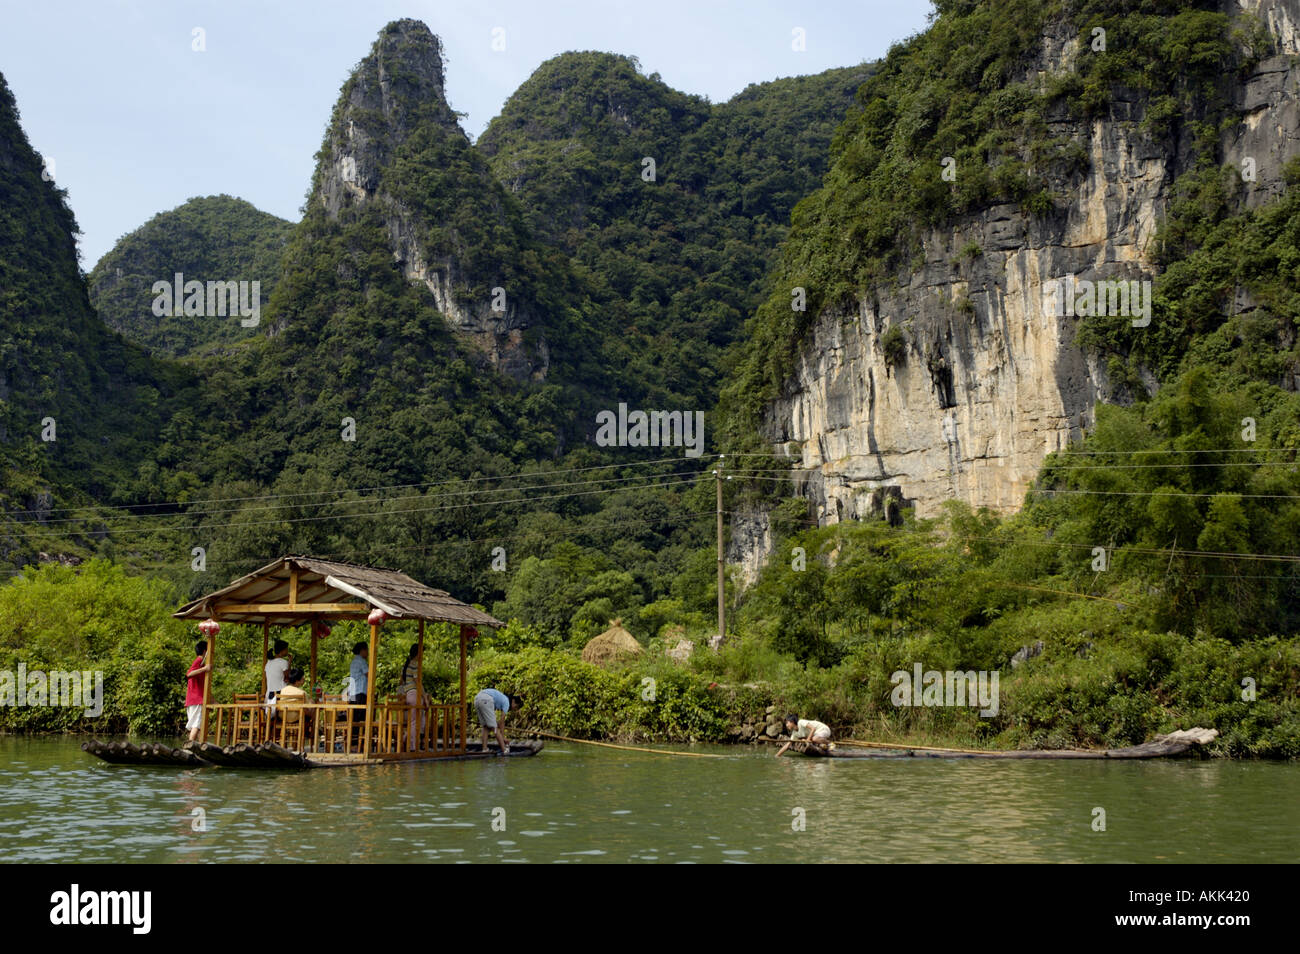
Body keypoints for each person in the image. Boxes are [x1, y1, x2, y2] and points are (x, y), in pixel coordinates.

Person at [473, 688, 521, 755]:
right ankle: (504, 750)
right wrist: (503, 737)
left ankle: (485, 749)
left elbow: (501, 722)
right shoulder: (507, 702)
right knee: (494, 727)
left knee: (486, 726)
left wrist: (499, 727)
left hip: (477, 699)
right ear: (513, 701)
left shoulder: (502, 698)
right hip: (486, 699)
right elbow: (502, 722)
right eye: (516, 707)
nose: (514, 709)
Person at [396, 644, 426, 749]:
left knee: (414, 720)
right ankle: (411, 745)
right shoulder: (414, 664)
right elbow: (418, 682)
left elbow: (401, 682)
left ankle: (407, 740)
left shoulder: (407, 665)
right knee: (415, 721)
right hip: (414, 694)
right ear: (418, 653)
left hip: (408, 694)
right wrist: (425, 697)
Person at [185, 641, 210, 742]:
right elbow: (189, 674)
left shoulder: (201, 664)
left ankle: (198, 746)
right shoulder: (199, 660)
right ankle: (189, 747)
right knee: (196, 725)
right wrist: (205, 668)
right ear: (205, 651)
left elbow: (203, 687)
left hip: (193, 699)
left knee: (196, 726)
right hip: (196, 700)